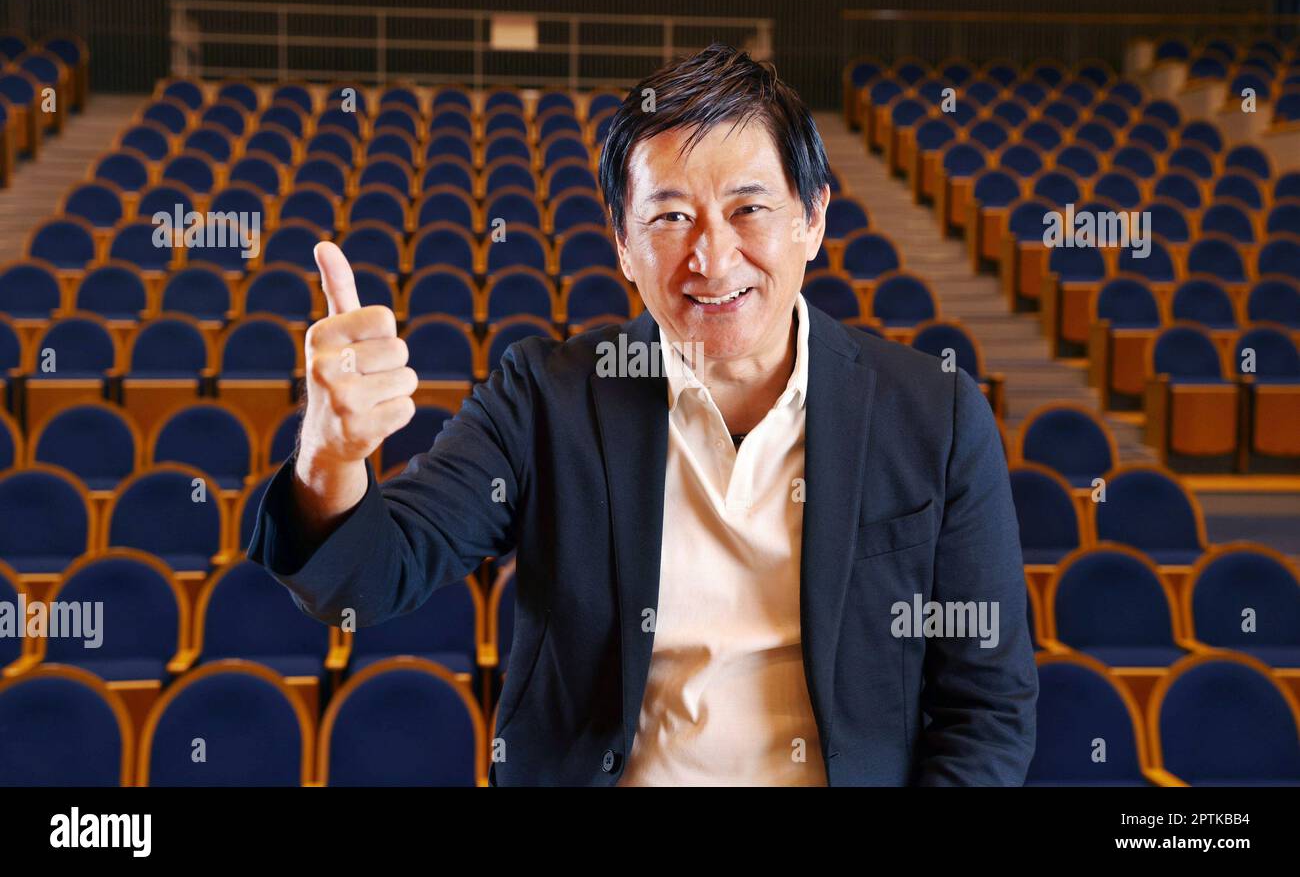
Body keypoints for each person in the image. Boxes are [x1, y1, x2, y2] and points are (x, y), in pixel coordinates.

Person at [248, 43, 1037, 786]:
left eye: (749, 208)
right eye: (669, 217)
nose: (713, 257)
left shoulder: (936, 415)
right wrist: (330, 453)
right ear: (623, 245)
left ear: (814, 217)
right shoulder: (545, 396)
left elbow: (987, 708)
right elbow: (371, 577)